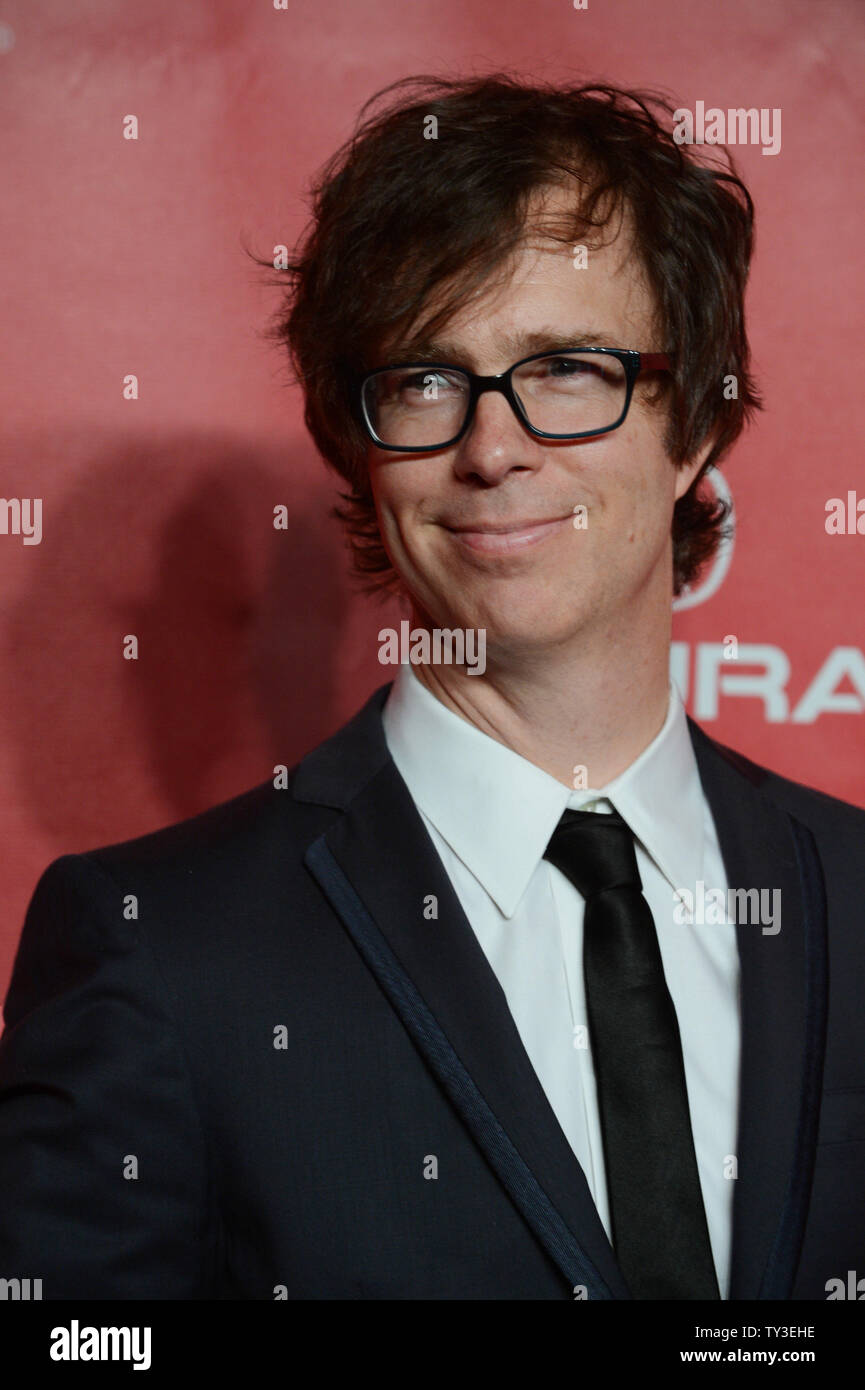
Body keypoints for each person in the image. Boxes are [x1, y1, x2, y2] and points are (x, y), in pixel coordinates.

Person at [1, 74, 863, 1302]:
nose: (491, 444)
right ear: (359, 447)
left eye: (566, 366)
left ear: (696, 431)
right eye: (422, 379)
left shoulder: (850, 890)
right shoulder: (155, 950)